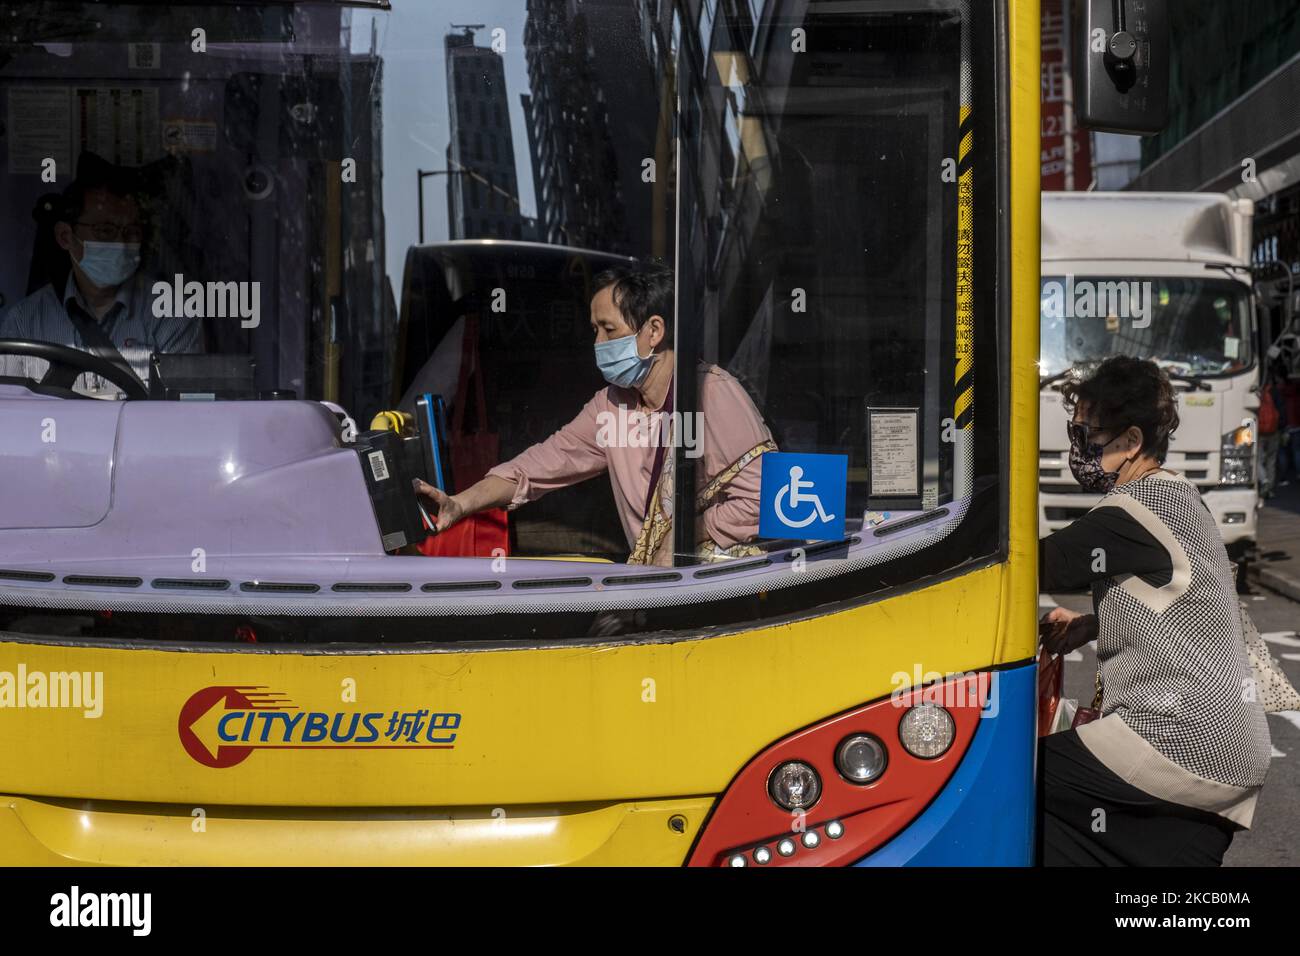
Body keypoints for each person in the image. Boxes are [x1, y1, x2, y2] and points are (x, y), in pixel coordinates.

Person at [1037, 356, 1271, 866]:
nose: (1078, 447)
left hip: (1178, 737)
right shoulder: (1180, 495)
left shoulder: (1130, 512)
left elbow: (1032, 567)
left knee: (1013, 776)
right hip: (1233, 745)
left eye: (1089, 434)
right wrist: (1090, 625)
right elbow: (1192, 603)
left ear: (1132, 441)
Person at [414, 263, 777, 567]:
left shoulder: (712, 395)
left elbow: (766, 497)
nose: (598, 345)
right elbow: (536, 468)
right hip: (656, 586)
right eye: (594, 330)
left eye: (609, 330)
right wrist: (459, 504)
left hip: (721, 592)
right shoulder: (611, 407)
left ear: (654, 330)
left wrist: (686, 536)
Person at [0, 160, 201, 396]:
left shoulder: (171, 315)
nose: (121, 244)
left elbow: (181, 416)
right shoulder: (25, 322)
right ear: (65, 237)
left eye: (131, 232)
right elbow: (10, 412)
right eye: (105, 231)